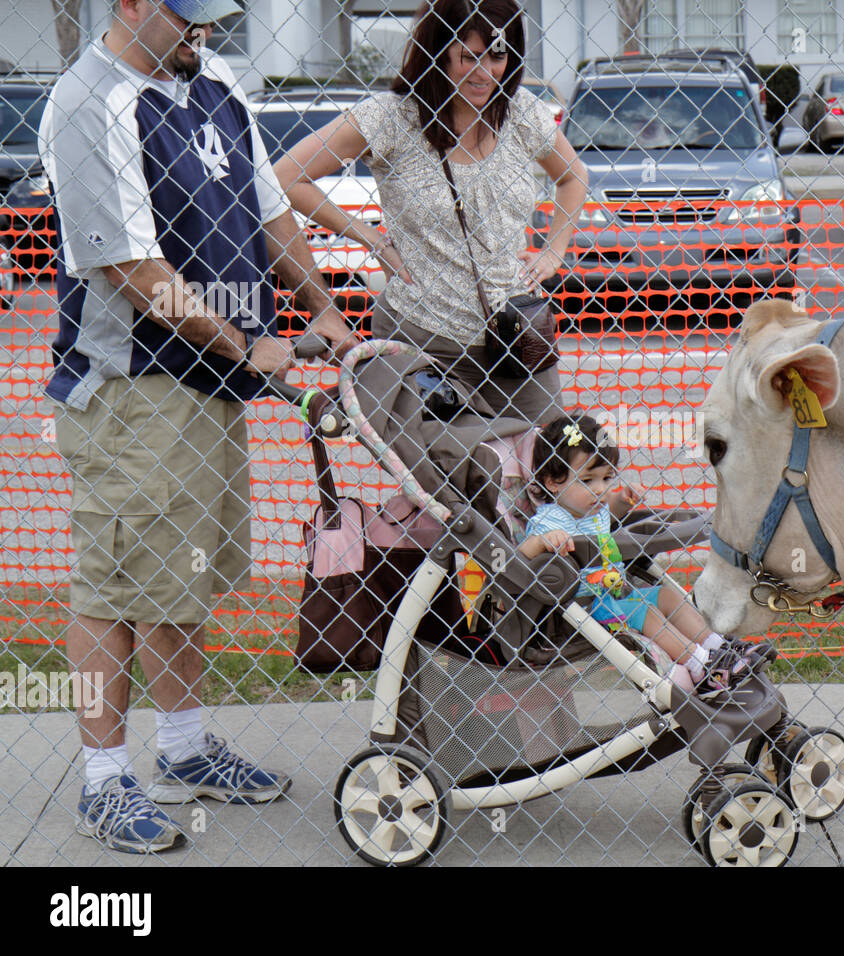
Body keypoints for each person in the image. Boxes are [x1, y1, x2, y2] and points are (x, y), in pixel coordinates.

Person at [38, 0, 358, 854]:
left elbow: (266, 211)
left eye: (214, 20)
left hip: (215, 383)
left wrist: (320, 306)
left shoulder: (209, 78)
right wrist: (249, 342)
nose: (205, 35)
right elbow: (134, 267)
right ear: (130, 6)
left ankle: (182, 747)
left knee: (179, 575)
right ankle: (103, 780)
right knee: (113, 585)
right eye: (187, 19)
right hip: (135, 389)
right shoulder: (88, 102)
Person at [274, 0, 587, 425]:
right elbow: (287, 177)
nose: (484, 72)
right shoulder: (392, 118)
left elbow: (573, 176)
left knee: (549, 467)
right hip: (423, 340)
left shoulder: (522, 112)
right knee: (451, 483)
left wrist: (555, 250)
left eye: (497, 55)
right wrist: (371, 238)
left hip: (515, 339)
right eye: (468, 55)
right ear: (439, 49)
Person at [520, 416, 776, 699]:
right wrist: (543, 541)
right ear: (552, 482)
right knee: (649, 612)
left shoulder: (593, 509)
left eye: (607, 478)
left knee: (667, 596)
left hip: (615, 595)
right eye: (587, 480)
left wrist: (620, 501)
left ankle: (720, 647)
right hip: (583, 609)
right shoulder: (549, 518)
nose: (600, 489)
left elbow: (609, 517)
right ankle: (702, 664)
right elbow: (519, 559)